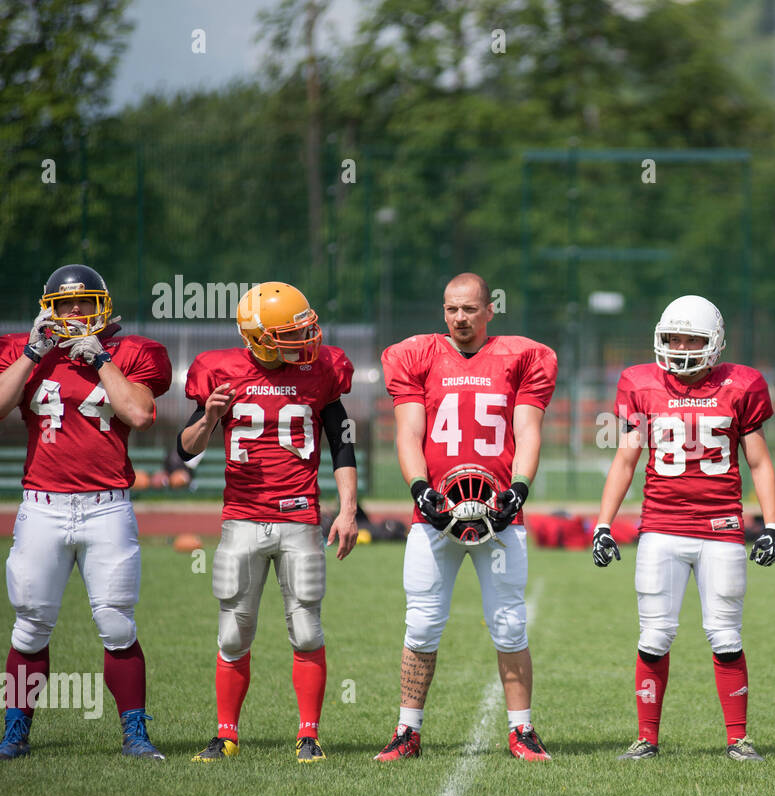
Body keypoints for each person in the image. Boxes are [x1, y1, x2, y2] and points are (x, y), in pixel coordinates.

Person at [374, 273, 557, 762]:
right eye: (453, 309)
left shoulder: (521, 357)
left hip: (499, 515)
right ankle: (407, 731)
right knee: (421, 624)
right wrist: (420, 490)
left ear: (489, 309)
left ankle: (522, 730)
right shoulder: (417, 356)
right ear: (443, 311)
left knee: (509, 623)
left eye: (471, 309)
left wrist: (518, 489)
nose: (461, 318)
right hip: (435, 514)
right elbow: (409, 433)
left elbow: (528, 431)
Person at [592, 294, 775, 761]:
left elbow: (759, 462)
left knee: (726, 636)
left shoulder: (743, 384)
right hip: (661, 527)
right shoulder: (640, 383)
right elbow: (625, 460)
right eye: (672, 338)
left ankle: (738, 739)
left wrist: (773, 525)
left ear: (714, 343)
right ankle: (646, 739)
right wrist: (602, 525)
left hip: (722, 528)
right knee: (654, 636)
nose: (679, 348)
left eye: (690, 339)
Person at [179, 281, 357, 763]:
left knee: (306, 629)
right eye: (291, 333)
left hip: (300, 518)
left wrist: (347, 507)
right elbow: (185, 449)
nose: (306, 340)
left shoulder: (322, 372)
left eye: (305, 328)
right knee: (234, 632)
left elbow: (342, 442)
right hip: (242, 518)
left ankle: (309, 735)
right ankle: (226, 735)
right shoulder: (221, 373)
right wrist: (210, 418)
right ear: (259, 337)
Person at [0, 264, 171, 760]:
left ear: (104, 305)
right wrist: (34, 353)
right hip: (43, 504)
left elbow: (138, 413)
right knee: (30, 625)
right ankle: (16, 730)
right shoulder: (23, 349)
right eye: (65, 304)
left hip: (106, 507)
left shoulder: (132, 352)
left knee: (117, 624)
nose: (76, 312)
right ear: (46, 309)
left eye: (86, 302)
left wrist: (100, 360)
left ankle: (135, 733)